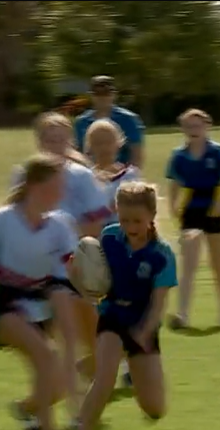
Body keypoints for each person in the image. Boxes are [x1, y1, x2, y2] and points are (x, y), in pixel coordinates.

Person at [0, 153, 79, 430]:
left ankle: (26, 410)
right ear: (36, 186)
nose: (63, 193)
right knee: (46, 356)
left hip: (40, 306)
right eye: (58, 186)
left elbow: (73, 269)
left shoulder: (60, 225)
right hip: (2, 305)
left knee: (57, 385)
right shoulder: (3, 219)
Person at [71, 182, 177, 430]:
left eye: (137, 221)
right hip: (113, 317)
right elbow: (78, 268)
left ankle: (100, 362)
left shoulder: (161, 255)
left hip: (142, 325)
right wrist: (85, 289)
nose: (130, 226)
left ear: (152, 216)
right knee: (105, 379)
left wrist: (144, 332)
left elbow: (158, 304)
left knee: (155, 409)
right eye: (125, 219)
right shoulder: (108, 238)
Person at [16, 112, 111, 419]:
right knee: (58, 346)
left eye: (61, 139)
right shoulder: (24, 175)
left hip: (77, 269)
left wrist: (69, 247)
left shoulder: (81, 177)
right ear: (38, 142)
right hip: (38, 274)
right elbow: (16, 221)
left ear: (70, 141)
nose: (55, 145)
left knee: (100, 345)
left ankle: (32, 407)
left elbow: (96, 224)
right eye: (49, 139)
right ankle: (71, 410)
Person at [166, 108, 220, 330]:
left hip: (214, 210)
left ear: (207, 126)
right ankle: (182, 314)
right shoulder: (178, 156)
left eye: (198, 125)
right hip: (191, 212)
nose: (193, 130)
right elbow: (174, 184)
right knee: (189, 264)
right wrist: (172, 207)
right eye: (189, 126)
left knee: (218, 264)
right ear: (183, 129)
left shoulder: (218, 152)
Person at [86, 118, 143, 387]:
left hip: (124, 247)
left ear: (119, 143)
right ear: (88, 146)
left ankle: (130, 364)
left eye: (108, 141)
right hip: (94, 251)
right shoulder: (83, 178)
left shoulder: (131, 175)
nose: (103, 147)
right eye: (97, 142)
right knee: (100, 310)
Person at [74, 76, 145, 167]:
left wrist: (129, 174)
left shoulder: (129, 119)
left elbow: (136, 154)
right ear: (91, 95)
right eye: (98, 93)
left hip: (121, 172)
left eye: (106, 93)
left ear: (114, 94)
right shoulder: (81, 122)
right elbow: (79, 153)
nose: (102, 97)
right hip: (91, 172)